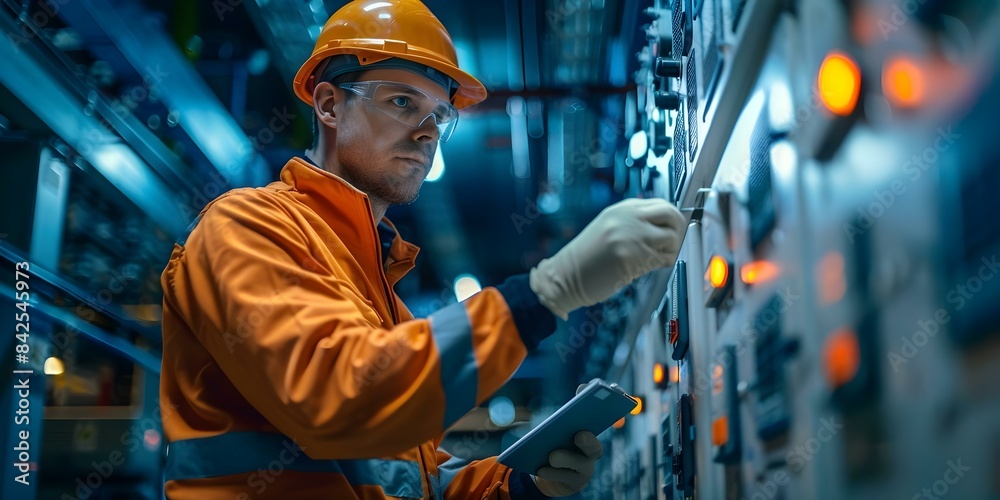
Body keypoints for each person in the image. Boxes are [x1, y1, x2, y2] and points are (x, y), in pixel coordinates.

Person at [158, 0, 687, 498]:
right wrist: (545, 294)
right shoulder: (245, 226)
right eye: (402, 102)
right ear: (327, 104)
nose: (426, 132)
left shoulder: (380, 294)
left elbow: (409, 478)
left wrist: (516, 485)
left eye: (439, 115)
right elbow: (340, 399)